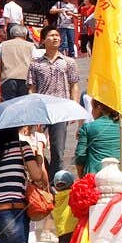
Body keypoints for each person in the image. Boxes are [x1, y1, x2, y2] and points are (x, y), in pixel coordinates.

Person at [28, 25, 82, 165]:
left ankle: (55, 177)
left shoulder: (69, 62)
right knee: (36, 149)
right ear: (43, 40)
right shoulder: (35, 64)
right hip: (42, 109)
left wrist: (74, 106)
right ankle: (42, 175)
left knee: (58, 150)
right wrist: (33, 110)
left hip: (60, 109)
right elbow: (32, 88)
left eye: (57, 35)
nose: (55, 38)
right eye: (51, 35)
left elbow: (74, 84)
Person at [73, 99, 122, 177]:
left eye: (92, 108)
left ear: (99, 108)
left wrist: (82, 178)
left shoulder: (87, 127)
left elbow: (80, 156)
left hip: (94, 177)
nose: (91, 112)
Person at [0, 23, 35, 103]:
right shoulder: (31, 46)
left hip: (7, 79)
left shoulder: (3, 45)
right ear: (25, 35)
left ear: (11, 34)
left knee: (8, 105)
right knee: (22, 105)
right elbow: (34, 64)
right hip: (25, 79)